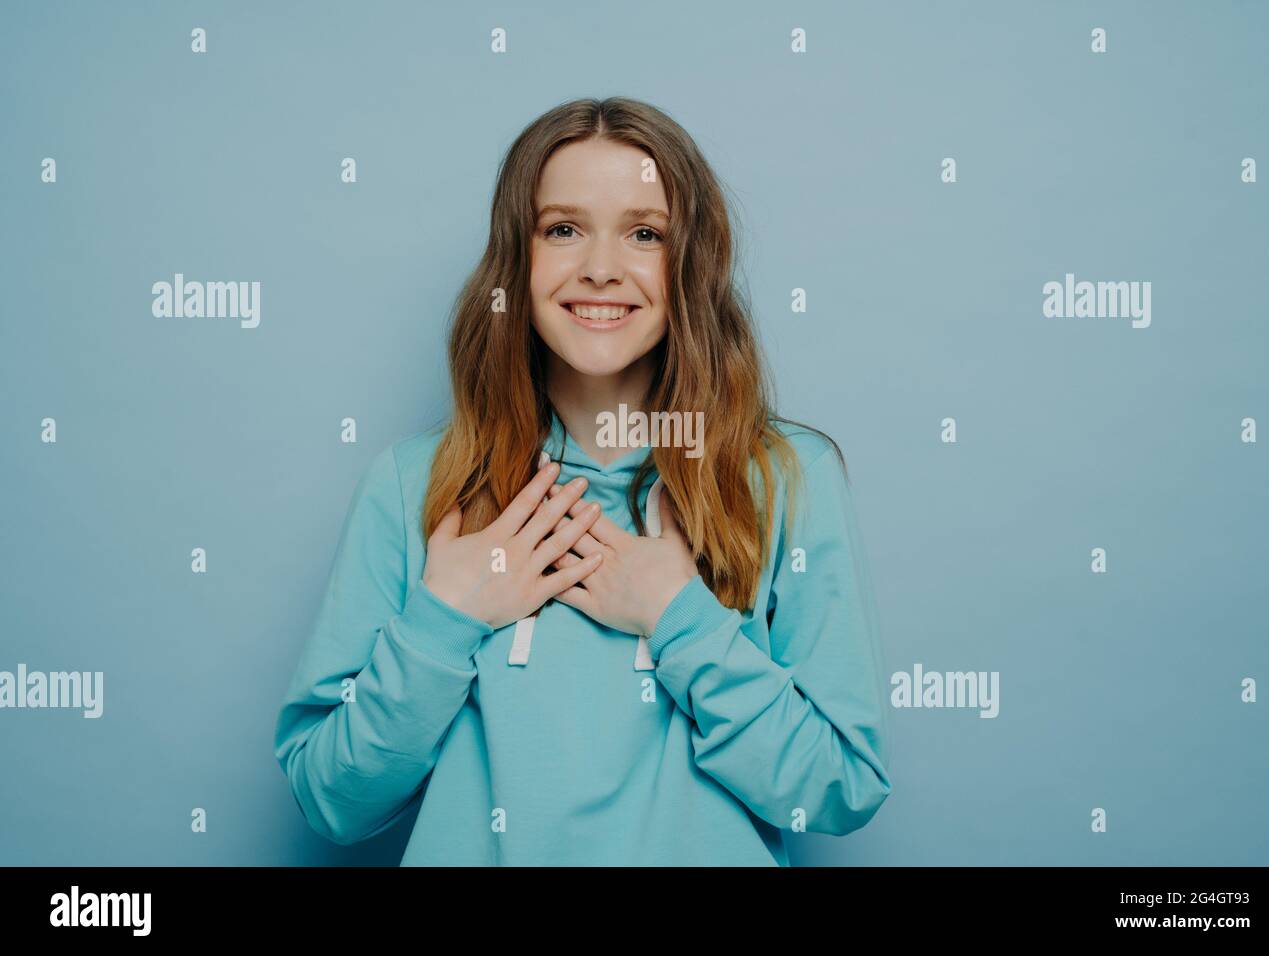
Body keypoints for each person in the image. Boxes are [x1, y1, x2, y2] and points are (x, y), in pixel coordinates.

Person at [273, 96, 893, 865]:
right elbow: (330, 800)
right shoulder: (411, 486)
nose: (601, 268)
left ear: (689, 265)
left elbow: (840, 787)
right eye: (563, 229)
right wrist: (444, 621)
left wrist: (680, 621)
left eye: (644, 233)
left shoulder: (788, 480)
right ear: (516, 260)